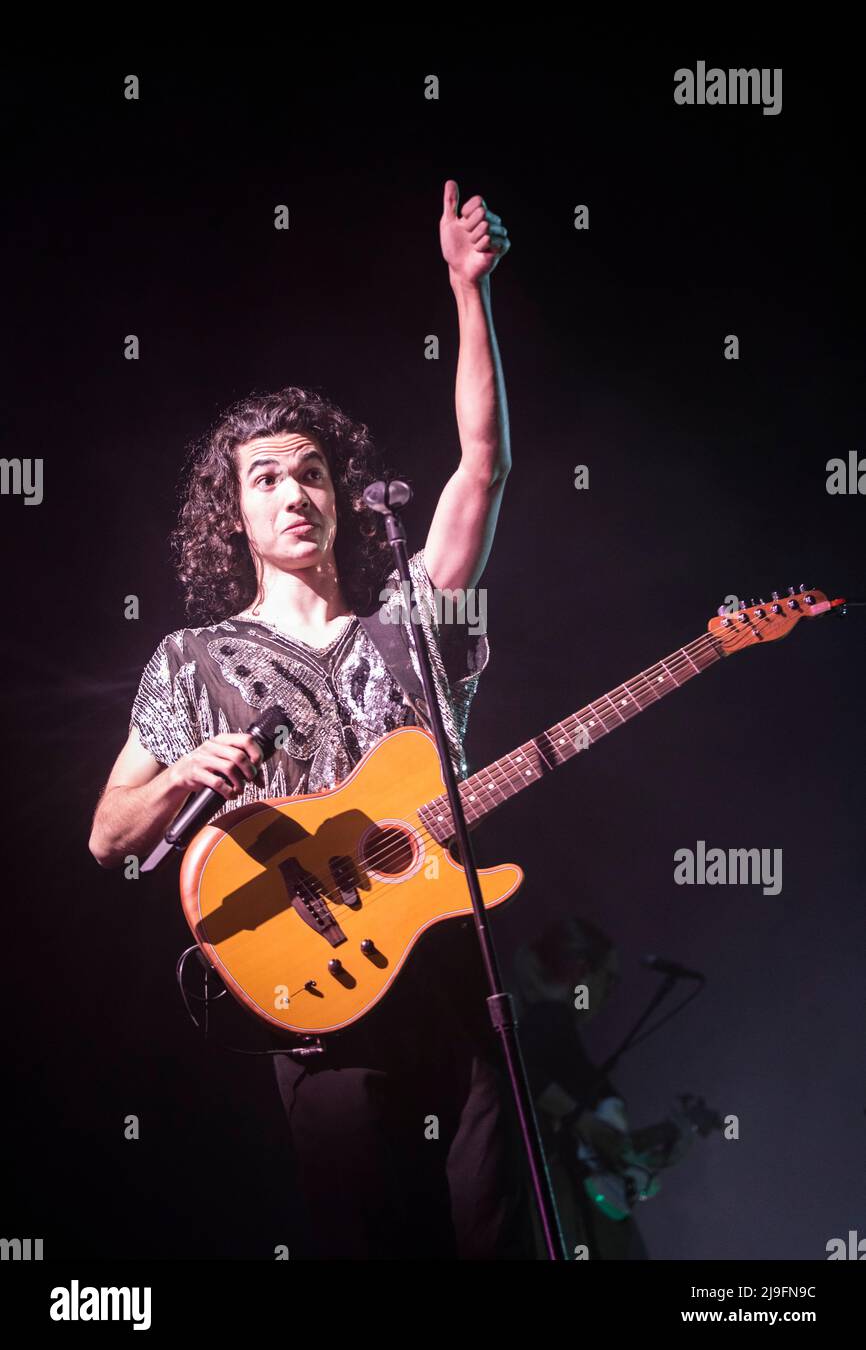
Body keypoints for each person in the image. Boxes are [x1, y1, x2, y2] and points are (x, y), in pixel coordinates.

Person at [89, 181, 535, 1259]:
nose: (294, 492)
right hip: (317, 994)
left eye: (312, 472)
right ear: (233, 512)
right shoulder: (191, 659)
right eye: (266, 478)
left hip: (448, 973)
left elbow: (482, 464)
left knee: (499, 1234)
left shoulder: (411, 624)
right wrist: (182, 772)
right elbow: (109, 835)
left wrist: (465, 293)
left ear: (340, 494)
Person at [510, 916, 695, 1260]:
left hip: (580, 1216)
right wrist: (584, 1120)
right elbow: (521, 1072)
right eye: (608, 981)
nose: (610, 996)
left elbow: (591, 1148)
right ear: (581, 972)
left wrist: (645, 1153)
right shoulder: (549, 1020)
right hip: (575, 1218)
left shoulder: (555, 1028)